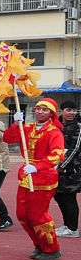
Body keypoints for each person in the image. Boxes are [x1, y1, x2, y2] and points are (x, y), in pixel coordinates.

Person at [3, 97, 65, 260]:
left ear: (51, 113)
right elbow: (8, 139)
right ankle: (39, 243)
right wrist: (15, 124)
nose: (40, 112)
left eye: (45, 110)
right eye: (38, 109)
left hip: (44, 177)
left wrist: (38, 166)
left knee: (38, 215)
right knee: (22, 215)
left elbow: (57, 154)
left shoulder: (54, 132)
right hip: (26, 175)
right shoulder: (27, 128)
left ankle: (51, 248)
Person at [53, 101, 81, 238]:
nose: (72, 113)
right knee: (58, 195)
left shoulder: (78, 127)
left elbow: (75, 149)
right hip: (56, 167)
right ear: (61, 111)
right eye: (69, 110)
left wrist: (62, 166)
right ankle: (66, 224)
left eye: (74, 110)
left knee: (69, 197)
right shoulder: (56, 125)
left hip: (72, 169)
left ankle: (73, 229)